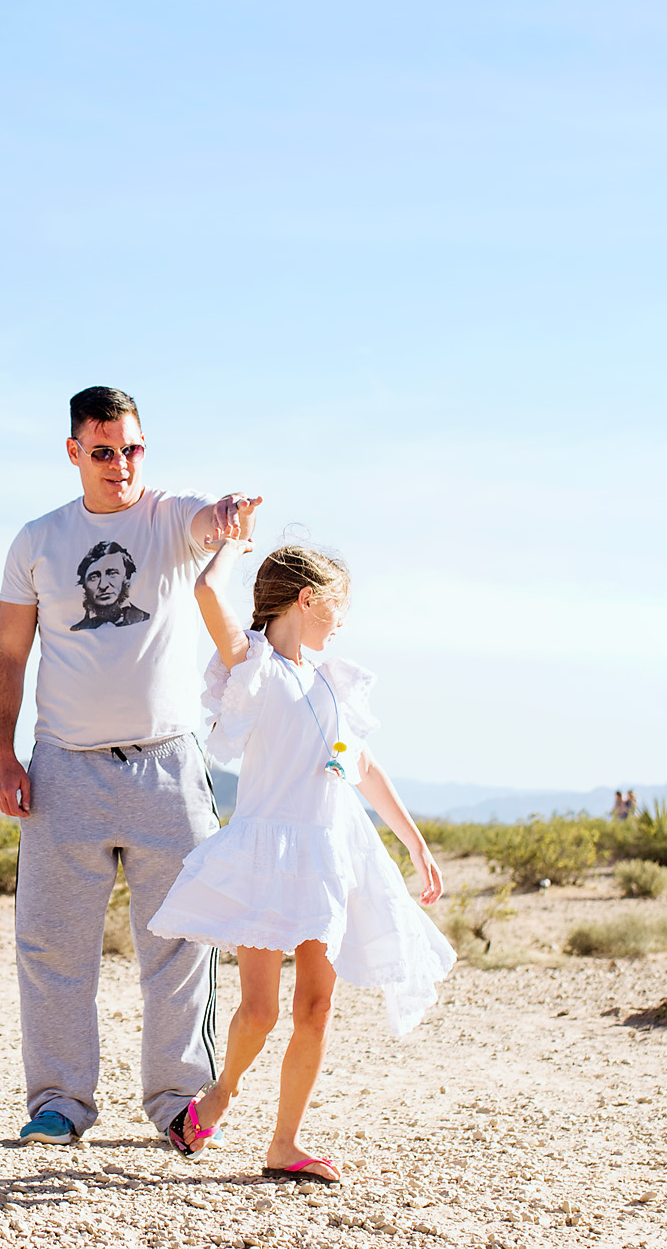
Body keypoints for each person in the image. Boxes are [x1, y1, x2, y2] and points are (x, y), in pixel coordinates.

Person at [146, 506, 453, 1184]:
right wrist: (228, 544)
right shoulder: (252, 666)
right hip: (268, 855)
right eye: (337, 606)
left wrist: (416, 844)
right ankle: (220, 1095)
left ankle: (284, 1143)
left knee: (317, 1004)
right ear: (307, 598)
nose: (342, 621)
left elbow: (365, 769)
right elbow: (205, 592)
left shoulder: (331, 683)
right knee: (259, 1009)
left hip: (329, 853)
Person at [0, 385, 257, 1151]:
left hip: (168, 766)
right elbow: (9, 654)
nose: (119, 464)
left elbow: (214, 518)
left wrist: (230, 512)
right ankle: (59, 1103)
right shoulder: (36, 540)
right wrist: (4, 752)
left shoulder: (172, 516)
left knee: (182, 940)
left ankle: (178, 1100)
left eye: (131, 448)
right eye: (102, 451)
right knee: (51, 947)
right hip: (63, 769)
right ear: (74, 451)